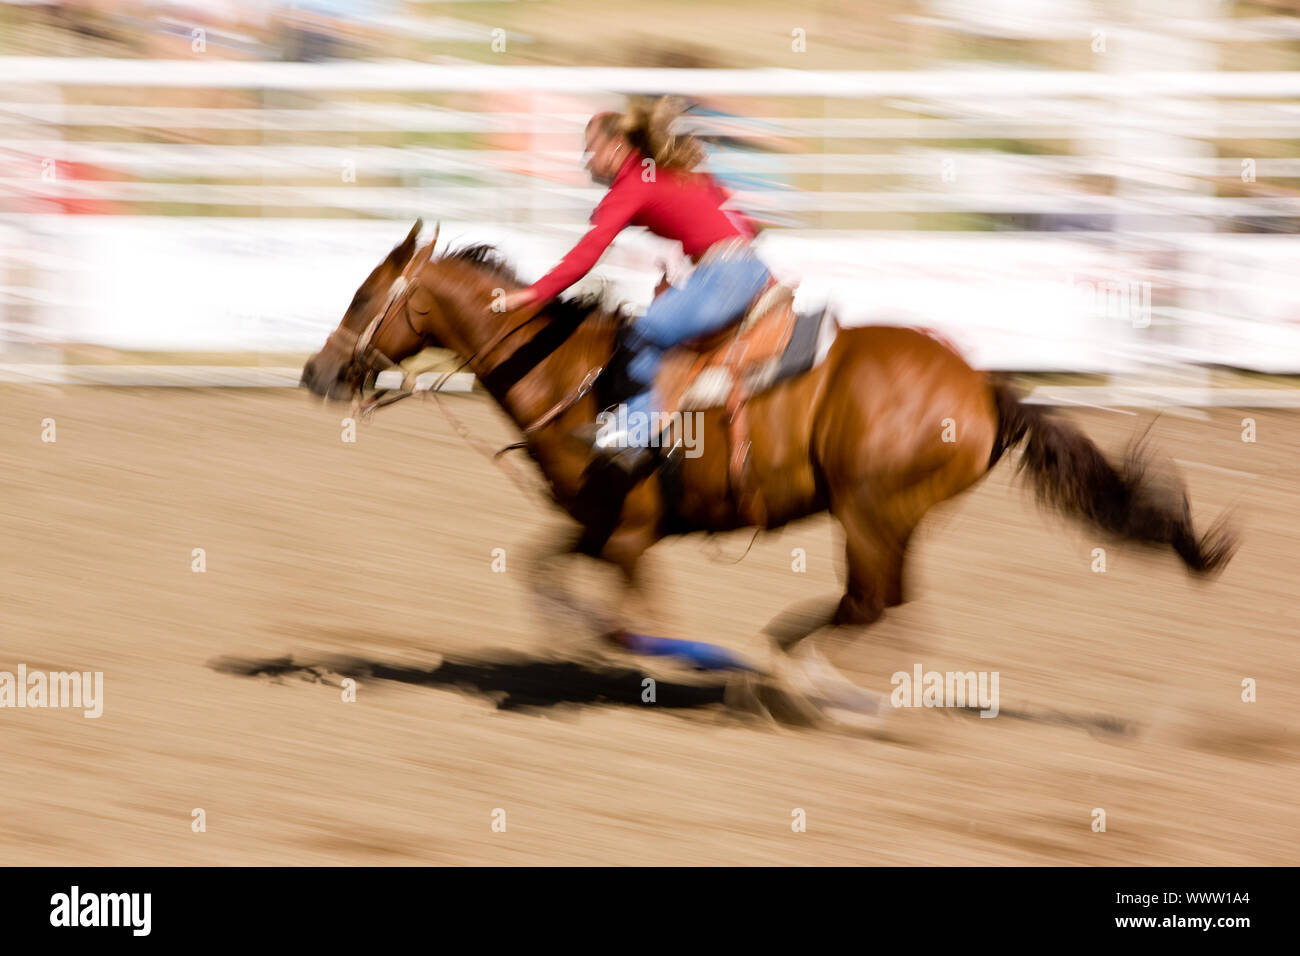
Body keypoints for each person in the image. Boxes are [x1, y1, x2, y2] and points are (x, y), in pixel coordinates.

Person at [491, 96, 771, 470]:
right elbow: (733, 219)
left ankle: (633, 434)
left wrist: (531, 294)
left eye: (590, 149)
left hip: (725, 274)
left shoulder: (635, 182)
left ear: (616, 147)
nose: (586, 160)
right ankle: (667, 426)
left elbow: (586, 255)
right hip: (746, 268)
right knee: (657, 331)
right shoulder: (665, 172)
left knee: (644, 330)